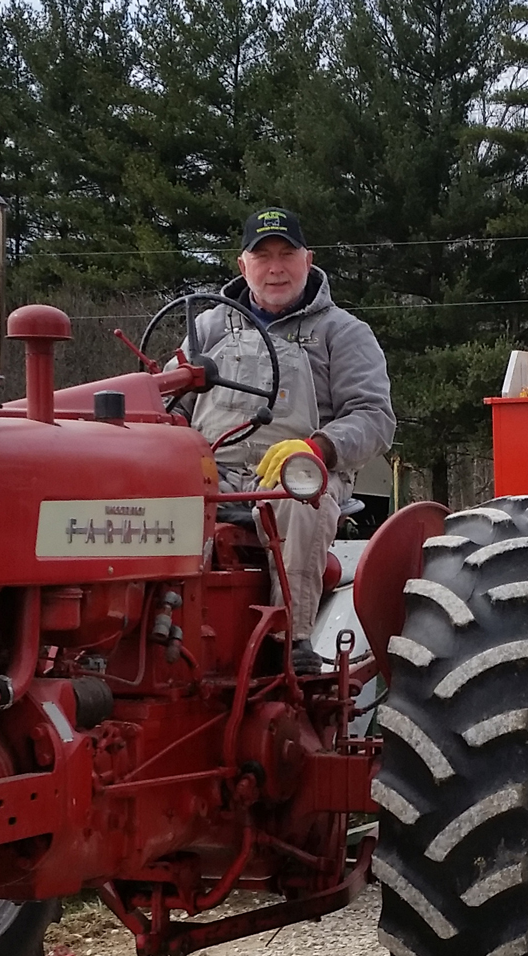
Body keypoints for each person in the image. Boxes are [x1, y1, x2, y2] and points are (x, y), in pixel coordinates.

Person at [182, 207, 395, 672]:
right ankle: (169, 632)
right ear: (243, 265)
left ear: (307, 260)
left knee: (299, 498)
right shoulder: (207, 328)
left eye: (287, 254)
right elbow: (172, 404)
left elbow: (375, 417)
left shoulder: (343, 333)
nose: (275, 268)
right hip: (213, 469)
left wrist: (318, 448)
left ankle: (290, 641)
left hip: (301, 469)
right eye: (263, 257)